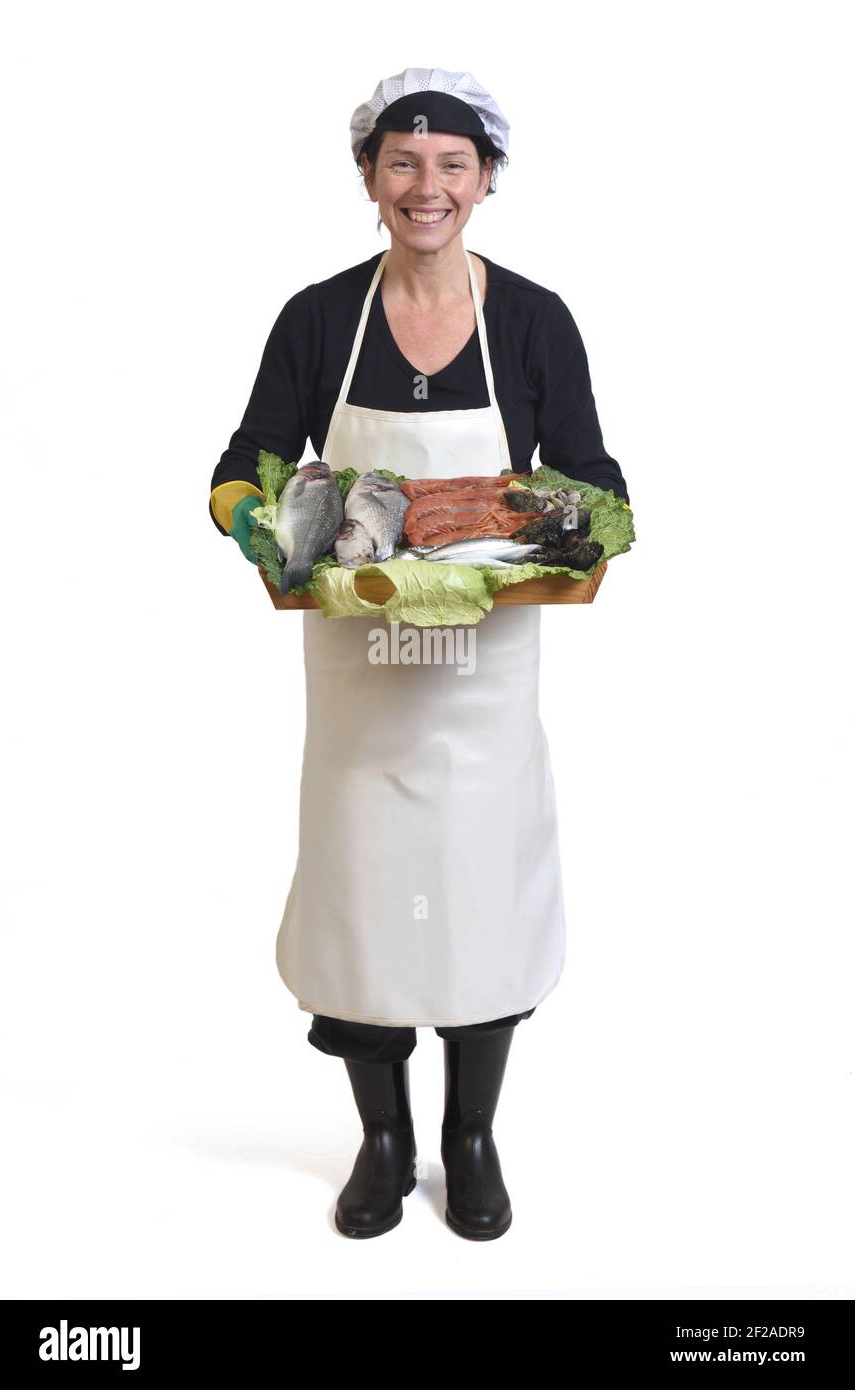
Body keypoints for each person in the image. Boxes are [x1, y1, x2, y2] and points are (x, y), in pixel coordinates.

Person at [210, 68, 630, 1241]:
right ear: (368, 179)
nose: (426, 185)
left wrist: (564, 528)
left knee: (481, 910)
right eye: (402, 162)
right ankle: (382, 1137)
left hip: (483, 690)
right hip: (358, 682)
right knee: (361, 913)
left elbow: (596, 476)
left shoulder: (534, 319)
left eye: (451, 165)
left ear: (485, 180)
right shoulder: (314, 317)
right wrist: (257, 524)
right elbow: (245, 458)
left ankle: (470, 1136)